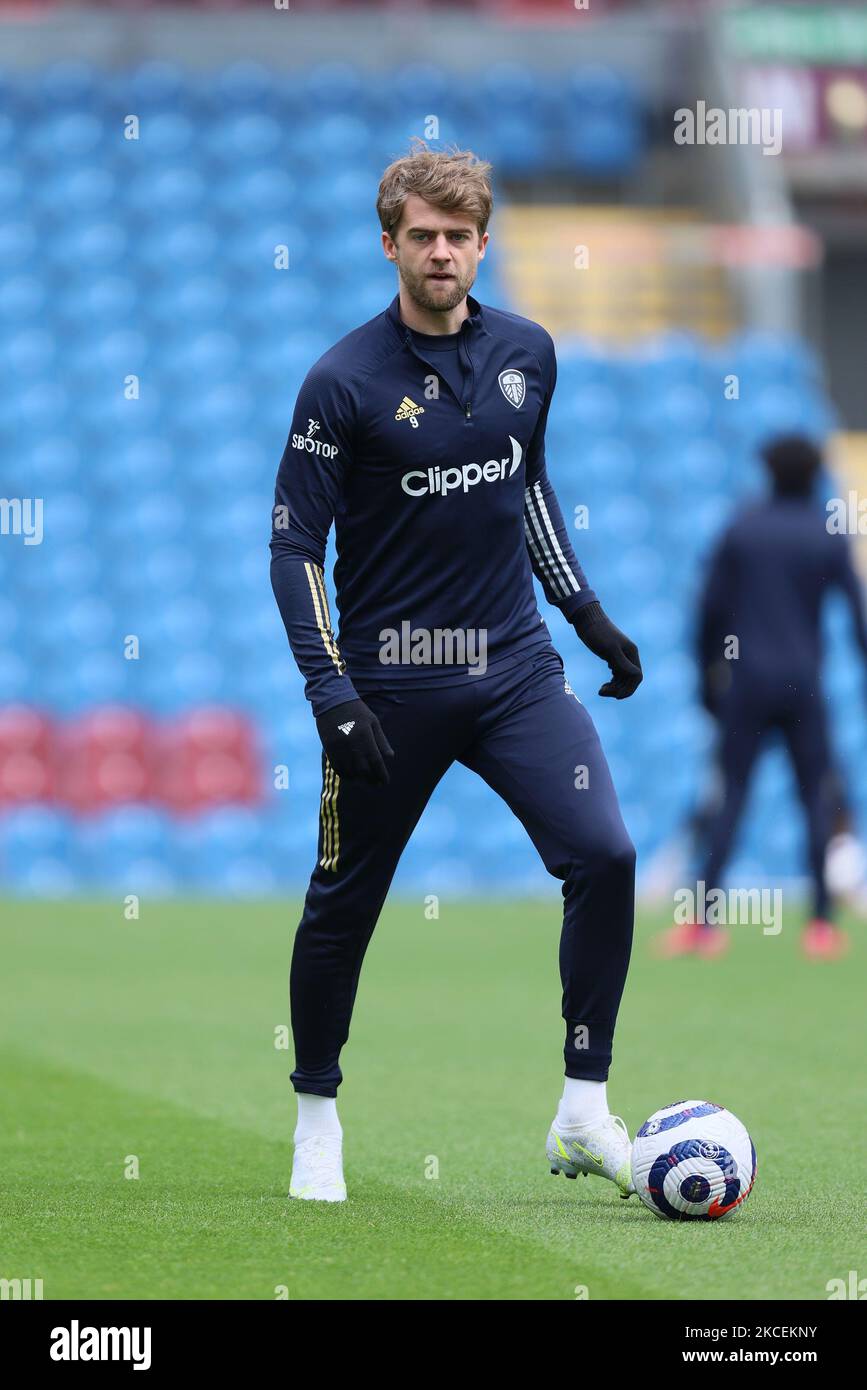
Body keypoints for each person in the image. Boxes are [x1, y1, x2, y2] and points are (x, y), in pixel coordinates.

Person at [270, 141, 642, 1201]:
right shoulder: (342, 381)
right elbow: (292, 547)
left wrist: (586, 612)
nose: (442, 251)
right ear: (389, 244)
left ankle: (583, 1108)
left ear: (484, 243)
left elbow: (527, 486)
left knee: (607, 854)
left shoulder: (529, 351)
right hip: (391, 684)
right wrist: (329, 689)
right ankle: (317, 1116)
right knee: (344, 904)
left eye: (459, 235)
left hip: (516, 666)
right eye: (422, 235)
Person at [655, 434, 867, 961]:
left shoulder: (742, 528)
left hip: (746, 685)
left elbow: (708, 614)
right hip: (804, 685)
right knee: (816, 798)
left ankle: (704, 924)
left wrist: (709, 682)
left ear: (767, 472)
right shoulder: (826, 534)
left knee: (730, 798)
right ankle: (820, 925)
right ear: (814, 474)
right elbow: (858, 617)